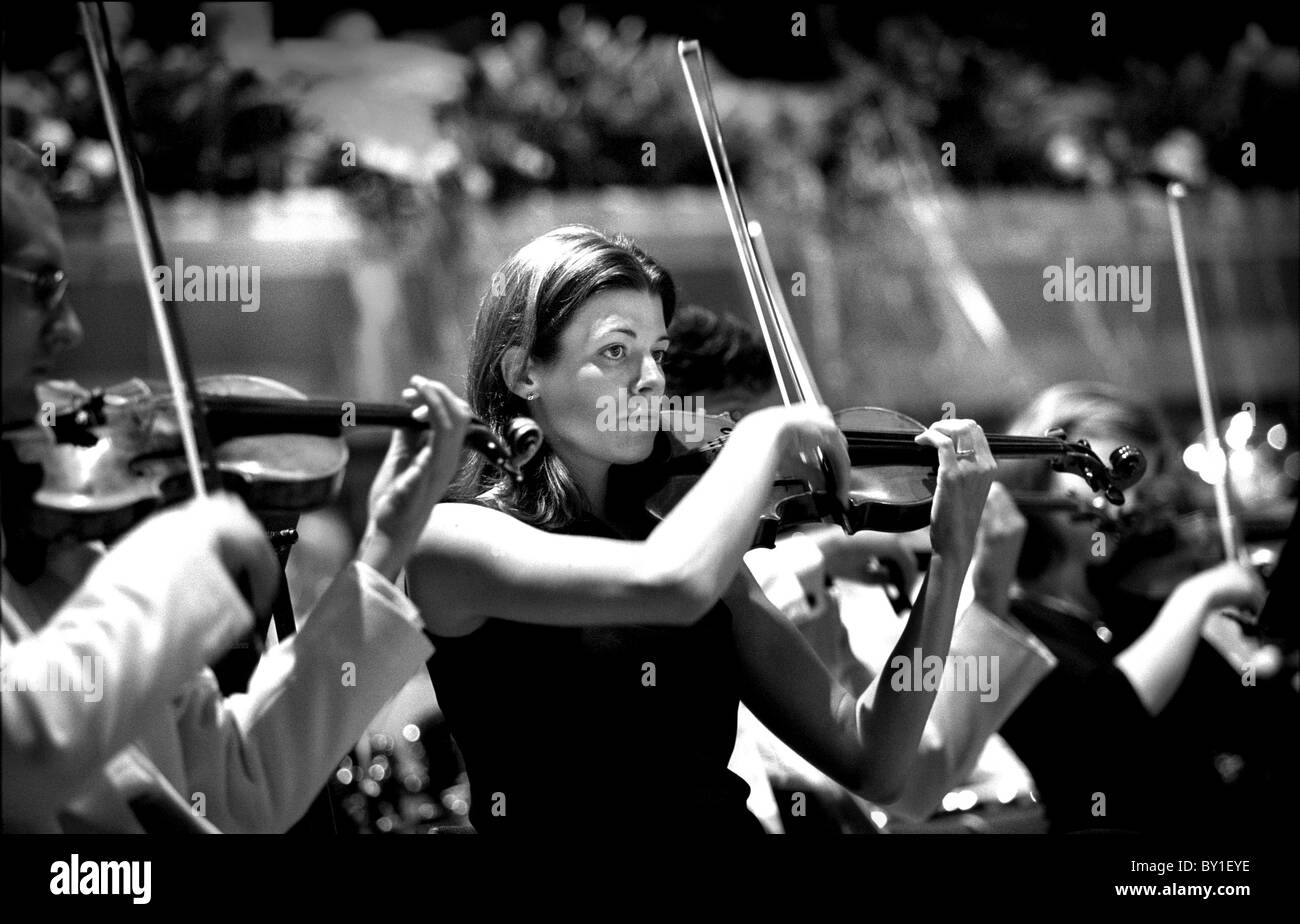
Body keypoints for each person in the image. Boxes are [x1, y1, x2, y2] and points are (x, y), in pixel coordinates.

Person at [404, 224, 997, 833]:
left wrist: (950, 560)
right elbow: (671, 585)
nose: (652, 378)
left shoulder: (675, 530)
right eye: (616, 351)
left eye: (656, 353)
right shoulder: (452, 540)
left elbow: (874, 760)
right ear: (523, 373)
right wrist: (760, 437)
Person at [1, 137, 470, 832]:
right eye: (41, 287)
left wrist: (382, 549)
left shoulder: (67, 549)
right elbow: (20, 753)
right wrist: (182, 559)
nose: (69, 330)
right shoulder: (138, 576)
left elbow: (240, 792)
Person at [665, 303, 1057, 830]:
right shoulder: (777, 572)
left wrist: (964, 570)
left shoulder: (784, 587)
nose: (779, 460)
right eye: (736, 424)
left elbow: (903, 768)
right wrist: (818, 554)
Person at [978, 381, 1275, 833]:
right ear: (1038, 475)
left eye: (1137, 483)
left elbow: (1233, 709)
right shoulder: (1004, 625)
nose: (1126, 503)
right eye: (1103, 474)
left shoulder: (1119, 600)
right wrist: (1196, 598)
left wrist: (1273, 659)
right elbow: (1105, 726)